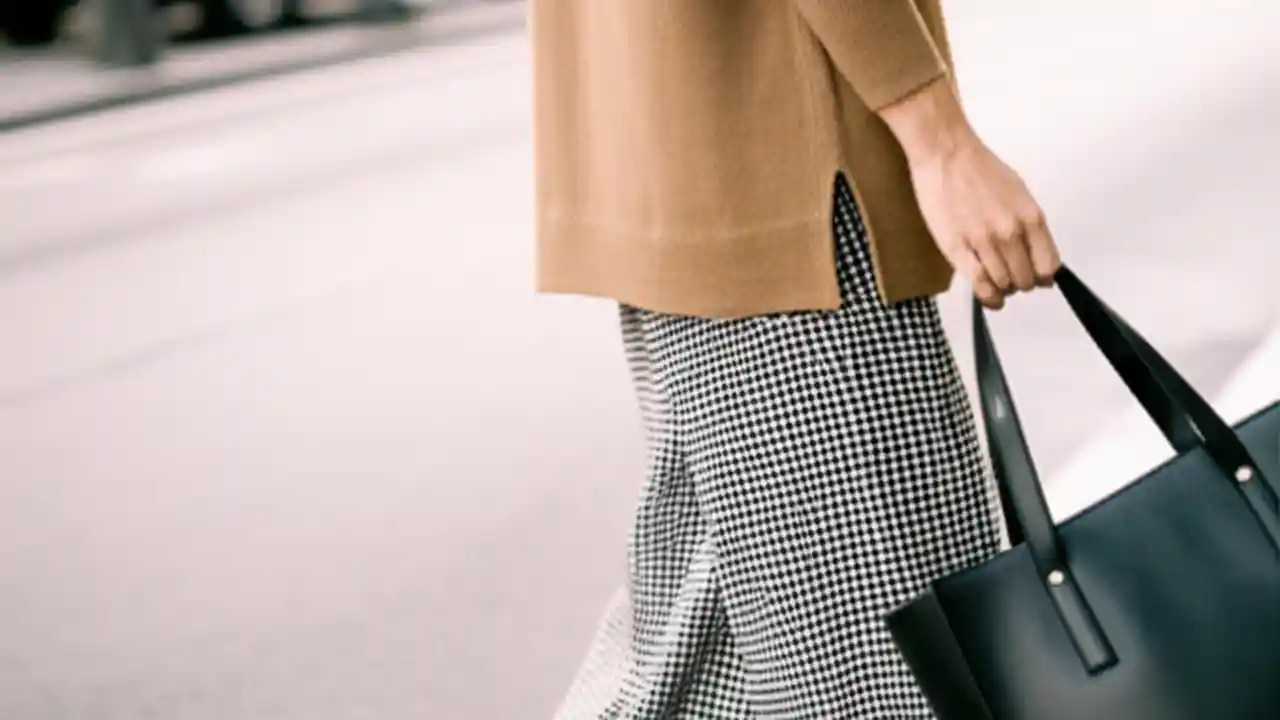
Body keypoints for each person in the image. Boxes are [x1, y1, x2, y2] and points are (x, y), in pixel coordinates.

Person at [530, 2, 1061, 717]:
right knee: (909, 678)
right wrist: (940, 140)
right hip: (795, 193)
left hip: (684, 166)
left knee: (702, 670)